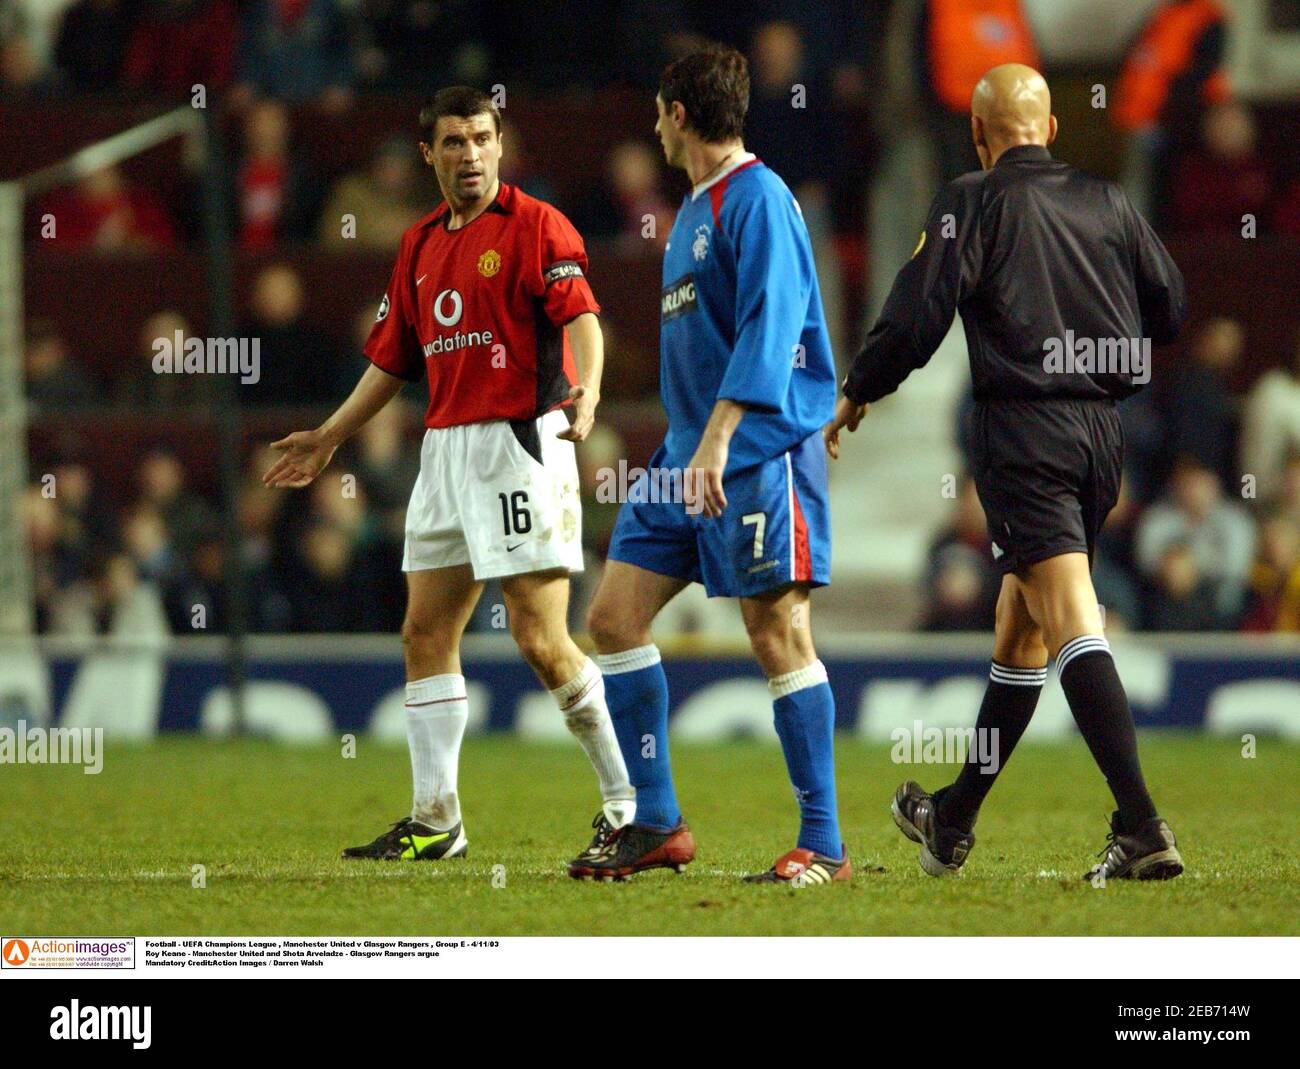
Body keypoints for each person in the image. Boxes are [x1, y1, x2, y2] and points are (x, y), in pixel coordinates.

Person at [826, 64, 1187, 882]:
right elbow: (1169, 307)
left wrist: (860, 388)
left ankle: (1141, 823)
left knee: (1064, 613)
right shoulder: (1108, 200)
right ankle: (952, 819)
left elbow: (920, 313)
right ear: (1051, 129)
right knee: (1020, 627)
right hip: (1102, 434)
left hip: (1025, 431)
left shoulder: (971, 198)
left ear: (981, 137)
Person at [263, 86, 634, 866]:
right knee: (425, 631)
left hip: (520, 442)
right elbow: (391, 358)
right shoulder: (419, 244)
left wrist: (590, 388)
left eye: (482, 138)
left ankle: (627, 803)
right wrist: (331, 435)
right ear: (428, 154)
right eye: (454, 142)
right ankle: (437, 818)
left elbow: (581, 316)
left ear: (502, 145)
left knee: (539, 638)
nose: (470, 154)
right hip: (443, 450)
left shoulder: (536, 225)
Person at [581, 45, 848, 885]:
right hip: (685, 454)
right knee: (614, 618)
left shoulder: (759, 199)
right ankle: (657, 820)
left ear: (680, 115)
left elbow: (774, 327)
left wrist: (724, 434)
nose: (655, 128)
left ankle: (825, 844)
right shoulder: (695, 208)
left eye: (660, 113)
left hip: (754, 452)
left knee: (777, 634)